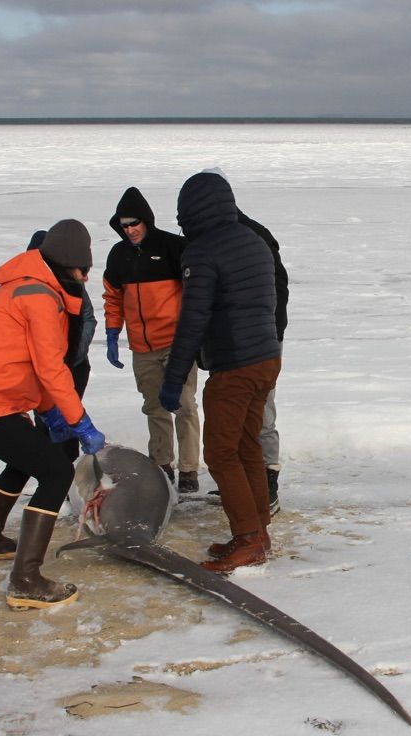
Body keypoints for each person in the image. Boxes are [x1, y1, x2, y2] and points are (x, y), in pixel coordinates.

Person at [0, 219, 107, 610]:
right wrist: (78, 420)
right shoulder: (39, 296)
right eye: (85, 269)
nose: (87, 277)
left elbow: (26, 365)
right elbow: (50, 367)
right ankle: (26, 580)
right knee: (55, 471)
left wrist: (51, 412)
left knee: (32, 458)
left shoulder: (30, 287)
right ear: (71, 265)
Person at [159, 171, 281, 573]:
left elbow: (192, 320)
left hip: (235, 366)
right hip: (266, 358)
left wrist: (174, 379)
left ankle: (248, 540)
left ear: (191, 210)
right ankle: (257, 531)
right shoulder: (255, 240)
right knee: (247, 447)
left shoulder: (203, 250)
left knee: (221, 454)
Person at [101, 187, 199, 493]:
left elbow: (196, 291)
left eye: (134, 224)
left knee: (184, 405)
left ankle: (189, 470)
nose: (129, 230)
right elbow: (113, 297)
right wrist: (113, 331)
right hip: (142, 348)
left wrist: (195, 332)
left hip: (176, 343)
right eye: (124, 225)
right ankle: (162, 465)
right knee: (154, 406)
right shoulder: (118, 255)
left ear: (146, 221)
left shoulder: (173, 247)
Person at [28, 229, 96, 462]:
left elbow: (88, 318)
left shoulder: (72, 284)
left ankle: (66, 477)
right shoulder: (29, 290)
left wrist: (72, 356)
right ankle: (46, 473)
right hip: (41, 368)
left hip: (71, 365)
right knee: (44, 422)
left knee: (69, 419)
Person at [238, 209, 289, 515]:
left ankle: (269, 485)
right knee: (240, 413)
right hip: (239, 341)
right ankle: (248, 479)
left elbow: (278, 291)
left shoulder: (256, 238)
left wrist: (272, 331)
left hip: (264, 339)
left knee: (262, 412)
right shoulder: (215, 234)